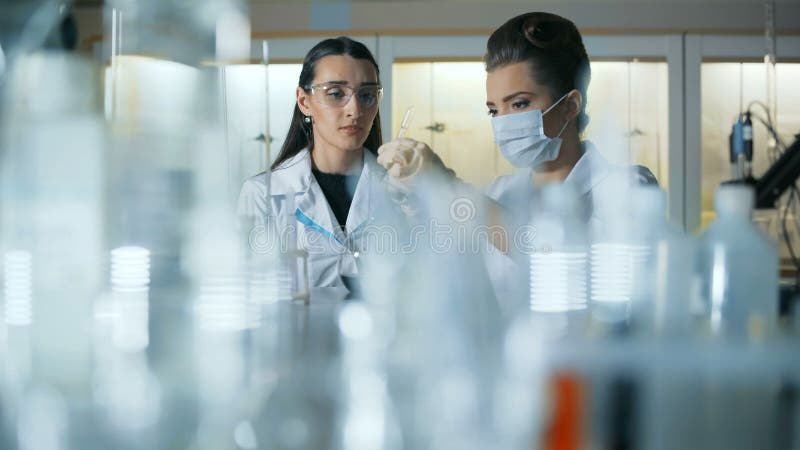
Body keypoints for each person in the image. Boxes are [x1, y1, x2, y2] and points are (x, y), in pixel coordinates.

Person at [377, 12, 656, 313]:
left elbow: (560, 263)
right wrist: (415, 199)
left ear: (570, 106)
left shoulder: (628, 187)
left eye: (520, 103)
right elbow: (450, 277)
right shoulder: (500, 192)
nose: (503, 123)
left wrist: (451, 187)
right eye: (494, 111)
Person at [238, 36, 397, 291]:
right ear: (304, 101)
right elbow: (253, 293)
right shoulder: (263, 194)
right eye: (336, 94)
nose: (355, 110)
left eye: (367, 95)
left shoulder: (399, 190)